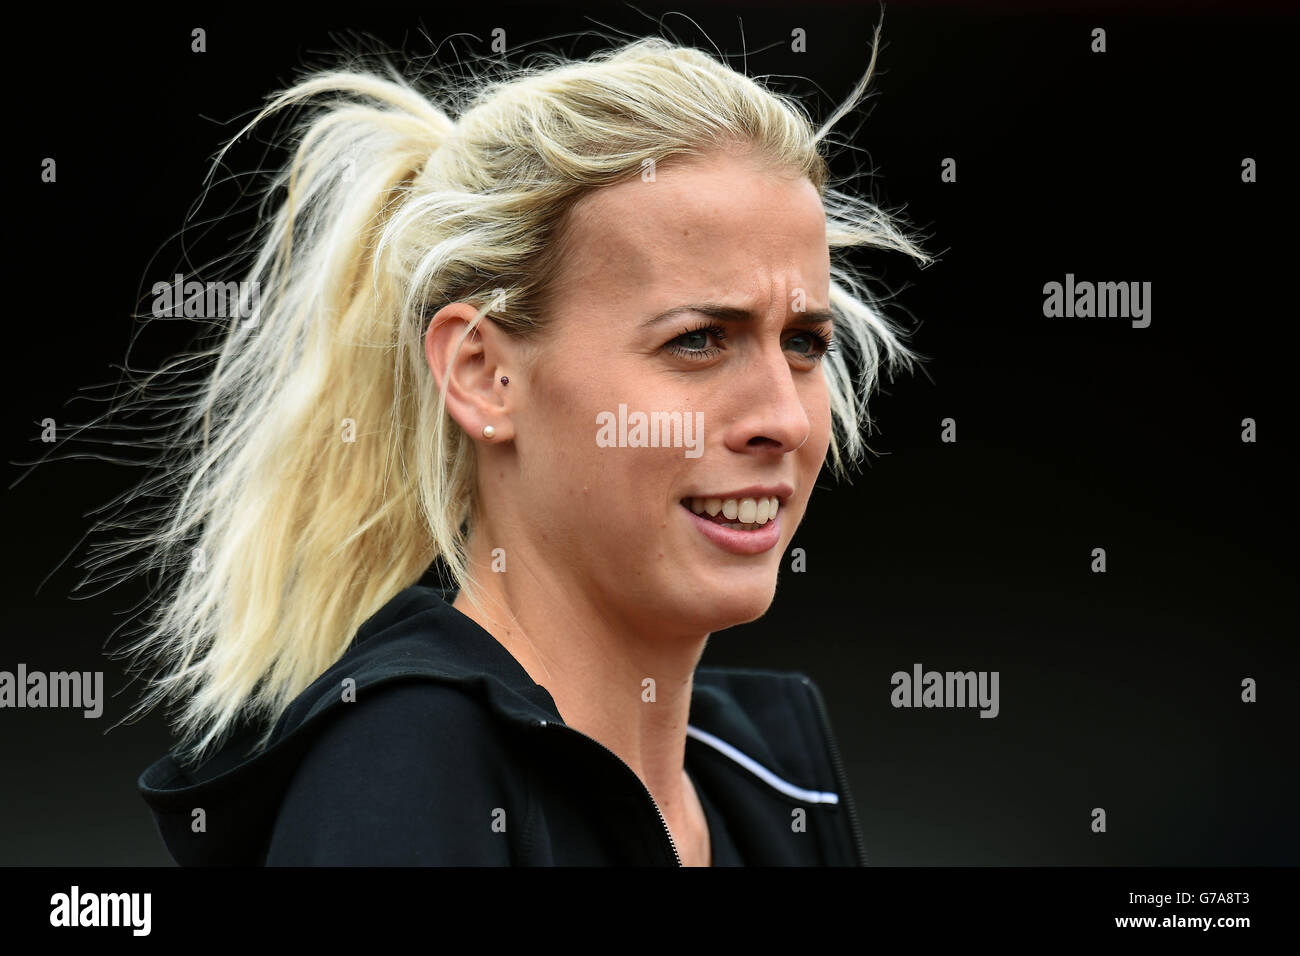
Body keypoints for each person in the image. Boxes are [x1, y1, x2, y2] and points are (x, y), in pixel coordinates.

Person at [125, 28, 931, 865]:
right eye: (697, 340)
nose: (785, 419)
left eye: (803, 343)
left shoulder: (762, 785)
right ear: (482, 375)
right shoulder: (403, 779)